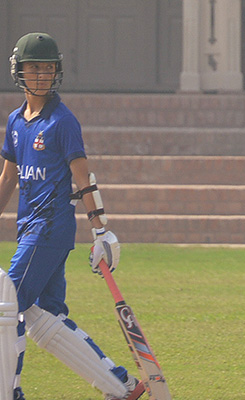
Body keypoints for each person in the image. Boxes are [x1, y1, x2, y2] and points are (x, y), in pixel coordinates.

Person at [1, 32, 147, 400]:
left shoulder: (62, 122)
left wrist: (102, 232)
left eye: (48, 68)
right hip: (30, 229)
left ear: (56, 72)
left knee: (7, 307)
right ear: (19, 70)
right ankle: (121, 386)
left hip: (49, 228)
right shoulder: (16, 122)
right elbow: (7, 179)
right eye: (34, 68)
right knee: (44, 317)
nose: (41, 76)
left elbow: (83, 178)